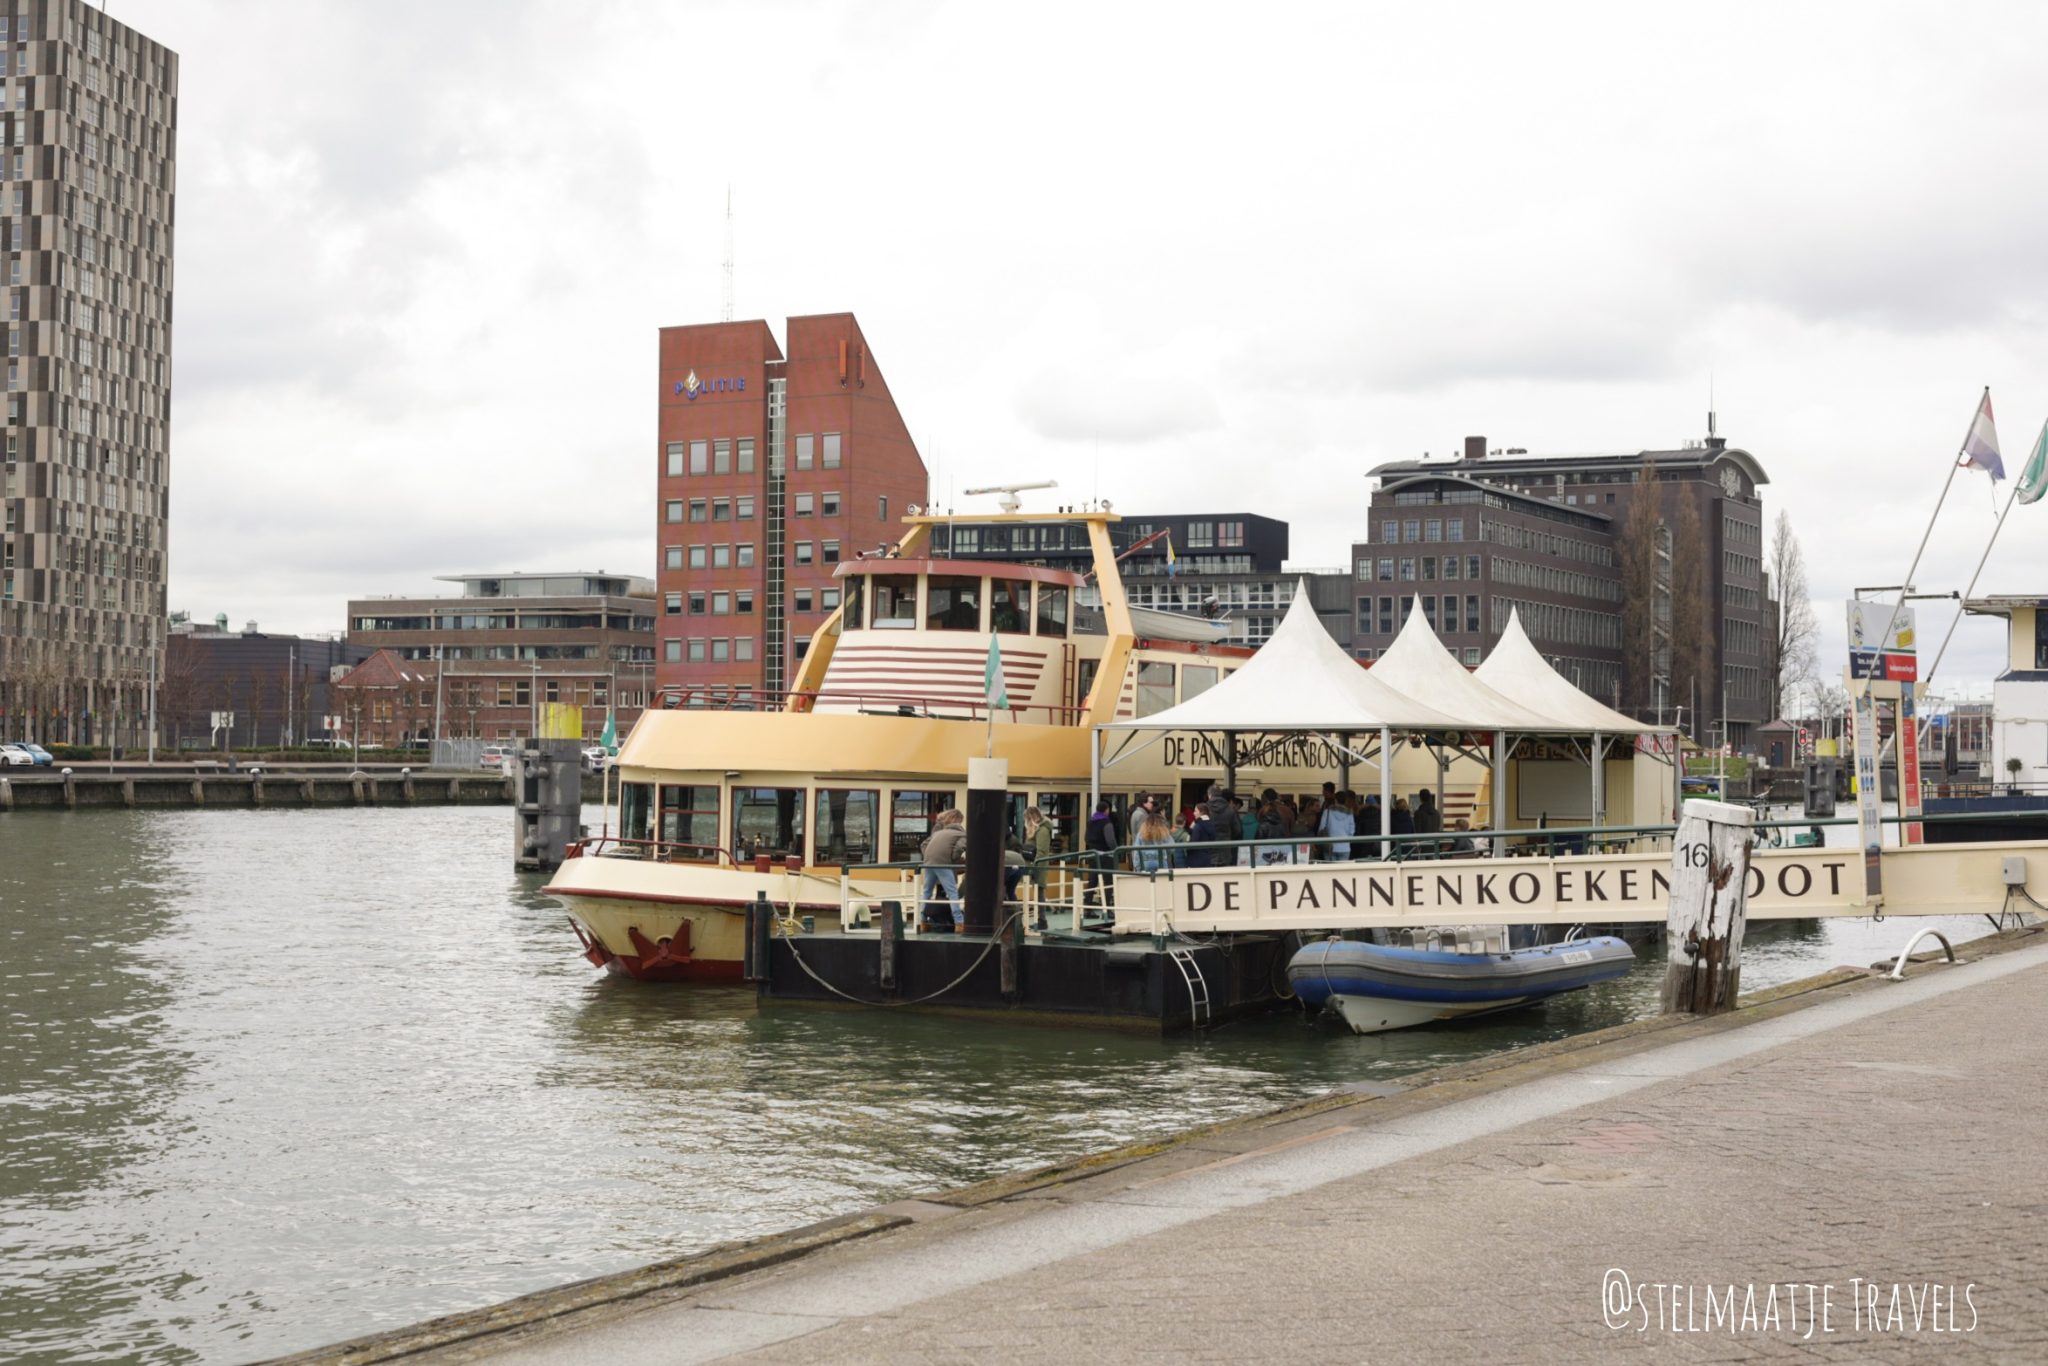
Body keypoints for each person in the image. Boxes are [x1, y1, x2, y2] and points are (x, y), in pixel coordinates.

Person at [919, 809, 966, 932]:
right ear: (960, 822)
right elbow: (960, 847)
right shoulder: (962, 834)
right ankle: (959, 923)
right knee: (952, 893)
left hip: (928, 863)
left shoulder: (938, 833)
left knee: (927, 892)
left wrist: (929, 857)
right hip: (943, 864)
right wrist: (953, 859)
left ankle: (922, 921)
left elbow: (924, 844)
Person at [1084, 797, 1118, 909]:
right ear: (1106, 810)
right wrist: (1116, 850)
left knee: (1092, 882)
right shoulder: (1107, 823)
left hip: (1093, 855)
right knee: (1108, 882)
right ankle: (1107, 909)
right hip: (1106, 856)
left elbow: (1086, 838)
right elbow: (1110, 841)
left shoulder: (1090, 822)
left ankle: (1087, 909)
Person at [1319, 789, 1356, 861]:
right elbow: (1352, 831)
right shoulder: (1350, 813)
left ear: (1335, 800)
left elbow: (1321, 828)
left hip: (1329, 847)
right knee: (1342, 871)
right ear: (1345, 801)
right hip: (1345, 847)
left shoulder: (1327, 811)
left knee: (1330, 871)